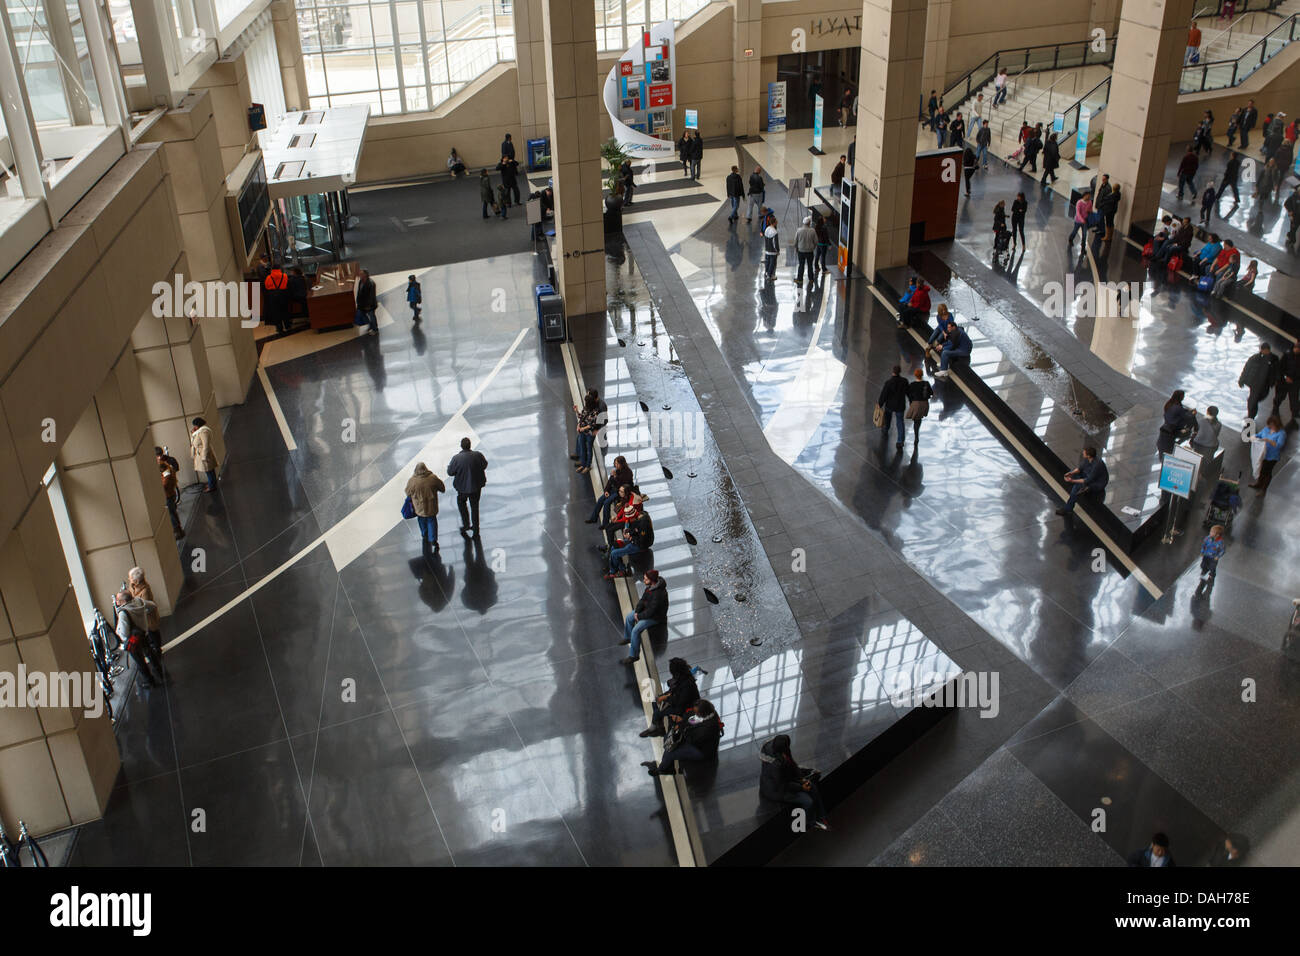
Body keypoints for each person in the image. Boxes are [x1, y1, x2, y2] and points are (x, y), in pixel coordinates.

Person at [759, 734, 829, 830]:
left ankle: (822, 816)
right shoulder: (776, 765)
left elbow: (793, 766)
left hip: (787, 781)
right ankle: (811, 823)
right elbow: (783, 784)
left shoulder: (784, 752)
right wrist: (801, 787)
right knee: (808, 802)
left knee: (813, 787)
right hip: (778, 791)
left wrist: (802, 779)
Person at [643, 699, 723, 776]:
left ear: (702, 713)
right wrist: (681, 721)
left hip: (701, 750)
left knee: (671, 752)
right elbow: (691, 718)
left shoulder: (709, 727)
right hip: (694, 739)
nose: (695, 713)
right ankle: (668, 765)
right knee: (667, 738)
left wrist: (681, 728)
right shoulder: (706, 714)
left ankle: (662, 769)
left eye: (696, 712)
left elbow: (693, 739)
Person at [113, 587, 161, 688]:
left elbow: (124, 633)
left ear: (123, 601)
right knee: (150, 653)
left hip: (134, 639)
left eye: (118, 600)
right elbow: (152, 605)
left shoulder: (123, 613)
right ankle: (159, 670)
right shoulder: (138, 601)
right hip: (144, 633)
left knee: (140, 661)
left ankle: (149, 681)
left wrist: (119, 634)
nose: (116, 601)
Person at [639, 656, 698, 736]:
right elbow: (675, 690)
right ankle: (659, 727)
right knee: (655, 702)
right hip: (678, 701)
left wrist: (666, 697)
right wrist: (666, 695)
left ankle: (653, 728)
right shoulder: (683, 676)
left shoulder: (687, 683)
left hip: (684, 708)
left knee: (658, 713)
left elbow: (680, 701)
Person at [620, 569, 668, 665]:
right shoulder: (650, 587)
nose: (644, 580)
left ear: (652, 580)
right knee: (629, 617)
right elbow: (642, 600)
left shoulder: (658, 594)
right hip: (646, 611)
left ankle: (634, 656)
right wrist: (637, 612)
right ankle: (628, 637)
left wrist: (639, 616)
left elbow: (652, 611)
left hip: (656, 617)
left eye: (646, 579)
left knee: (636, 630)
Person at [127, 567, 165, 680]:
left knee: (153, 631)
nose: (129, 579)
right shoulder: (132, 586)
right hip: (141, 618)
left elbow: (145, 605)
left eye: (130, 578)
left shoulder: (145, 590)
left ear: (136, 581)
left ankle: (157, 648)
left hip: (148, 617)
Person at [447, 437, 488, 537]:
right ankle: (476, 528)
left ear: (461, 446)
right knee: (475, 507)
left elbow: (450, 472)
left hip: (462, 488)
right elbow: (484, 465)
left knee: (461, 504)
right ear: (470, 445)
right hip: (476, 486)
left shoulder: (456, 458)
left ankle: (466, 525)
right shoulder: (478, 455)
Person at [405, 461, 445, 557]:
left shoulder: (412, 481)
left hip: (419, 507)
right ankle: (433, 539)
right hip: (431, 506)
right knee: (432, 521)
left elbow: (407, 492)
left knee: (421, 520)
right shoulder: (432, 478)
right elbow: (442, 488)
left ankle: (424, 534)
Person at [1056, 445, 1109, 516]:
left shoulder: (1097, 465)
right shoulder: (1087, 459)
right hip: (1087, 475)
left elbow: (1087, 480)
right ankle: (1084, 488)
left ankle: (1068, 509)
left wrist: (1073, 481)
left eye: (1084, 453)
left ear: (1089, 455)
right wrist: (1070, 473)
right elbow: (1080, 468)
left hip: (1097, 483)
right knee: (1074, 475)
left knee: (1075, 489)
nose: (1082, 453)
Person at [606, 506, 653, 581]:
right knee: (614, 546)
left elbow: (642, 540)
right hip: (634, 541)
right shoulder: (639, 519)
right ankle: (622, 569)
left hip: (638, 546)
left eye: (629, 519)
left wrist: (631, 537)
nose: (629, 520)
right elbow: (635, 530)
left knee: (614, 553)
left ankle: (614, 571)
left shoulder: (643, 524)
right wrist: (630, 533)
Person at [587, 455, 634, 527]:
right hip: (613, 489)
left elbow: (621, 486)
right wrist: (606, 490)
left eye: (617, 464)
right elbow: (610, 482)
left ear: (622, 464)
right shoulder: (617, 470)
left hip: (621, 492)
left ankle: (605, 523)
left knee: (606, 503)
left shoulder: (628, 472)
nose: (616, 465)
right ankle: (593, 518)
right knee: (600, 500)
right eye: (615, 463)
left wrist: (615, 476)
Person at [1239, 342, 1279, 420]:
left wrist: (1274, 381)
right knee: (1253, 400)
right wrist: (1242, 379)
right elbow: (1247, 369)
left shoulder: (1274, 359)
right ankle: (1251, 416)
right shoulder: (1255, 358)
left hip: (1265, 384)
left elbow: (1276, 371)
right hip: (1255, 384)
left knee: (1255, 399)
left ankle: (1251, 414)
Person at [571, 388, 604, 473]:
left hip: (589, 433)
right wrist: (577, 411)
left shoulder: (596, 411)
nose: (585, 403)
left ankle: (588, 466)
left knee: (589, 449)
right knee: (582, 447)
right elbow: (582, 417)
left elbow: (592, 424)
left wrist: (583, 428)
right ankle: (583, 464)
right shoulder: (586, 408)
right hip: (582, 432)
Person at [1250, 415, 1286, 494]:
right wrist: (1254, 437)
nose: (1270, 426)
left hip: (1272, 457)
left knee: (1267, 472)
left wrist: (1268, 440)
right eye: (1269, 424)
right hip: (1263, 454)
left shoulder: (1281, 433)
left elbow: (1279, 445)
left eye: (1272, 425)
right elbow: (1259, 435)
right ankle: (1259, 484)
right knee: (1261, 470)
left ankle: (1263, 489)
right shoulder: (1266, 429)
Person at [878, 365, 908, 450]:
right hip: (900, 405)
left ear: (893, 372)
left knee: (888, 418)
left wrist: (880, 404)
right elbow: (908, 392)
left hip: (890, 405)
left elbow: (884, 394)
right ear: (900, 371)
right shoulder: (904, 381)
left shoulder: (888, 382)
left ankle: (886, 429)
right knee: (900, 422)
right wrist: (912, 401)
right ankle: (900, 441)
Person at [1157, 391, 1196, 455]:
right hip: (1173, 430)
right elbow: (1186, 416)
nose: (1183, 397)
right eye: (1183, 396)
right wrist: (1193, 414)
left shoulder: (1169, 404)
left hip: (1167, 426)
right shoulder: (1178, 408)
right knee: (1187, 434)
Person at [1272, 339, 1300, 425]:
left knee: (1294, 400)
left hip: (1294, 382)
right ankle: (1275, 409)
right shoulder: (1287, 355)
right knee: (1280, 397)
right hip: (1284, 381)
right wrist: (1284, 377)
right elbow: (1280, 368)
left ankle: (1294, 415)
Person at [905, 368, 934, 447]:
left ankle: (916, 435)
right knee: (919, 419)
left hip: (916, 404)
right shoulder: (926, 383)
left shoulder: (912, 385)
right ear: (922, 375)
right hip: (924, 404)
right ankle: (917, 435)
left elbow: (909, 394)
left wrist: (911, 402)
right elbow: (931, 393)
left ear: (915, 375)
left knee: (916, 420)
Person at [189, 417, 218, 493]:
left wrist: (204, 456)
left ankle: (212, 486)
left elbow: (206, 444)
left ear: (198, 425)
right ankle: (212, 484)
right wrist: (193, 433)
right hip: (201, 453)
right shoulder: (199, 431)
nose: (194, 427)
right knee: (208, 470)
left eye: (195, 425)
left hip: (204, 453)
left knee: (209, 471)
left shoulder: (203, 431)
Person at [262, 262, 290, 333]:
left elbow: (266, 286)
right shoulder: (285, 276)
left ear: (272, 269)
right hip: (283, 294)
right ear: (279, 269)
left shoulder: (268, 277)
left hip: (273, 295)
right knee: (285, 310)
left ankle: (279, 328)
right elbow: (287, 284)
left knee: (276, 312)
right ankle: (287, 325)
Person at [159, 457, 183, 539]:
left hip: (169, 496)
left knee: (171, 514)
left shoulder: (167, 475)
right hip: (171, 495)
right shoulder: (168, 472)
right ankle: (178, 529)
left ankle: (177, 531)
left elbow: (164, 486)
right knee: (173, 513)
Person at [794, 216, 817, 285]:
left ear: (803, 223)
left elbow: (795, 242)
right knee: (810, 265)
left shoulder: (799, 230)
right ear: (809, 223)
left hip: (801, 251)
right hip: (810, 251)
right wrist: (813, 247)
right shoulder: (813, 231)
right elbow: (816, 241)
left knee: (801, 265)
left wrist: (796, 249)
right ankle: (811, 279)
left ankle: (800, 279)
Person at [355, 268, 378, 335]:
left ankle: (375, 329)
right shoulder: (360, 281)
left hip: (369, 305)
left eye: (361, 274)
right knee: (362, 315)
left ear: (365, 275)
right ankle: (371, 326)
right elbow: (359, 292)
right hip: (362, 304)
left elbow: (371, 296)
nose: (360, 275)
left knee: (372, 317)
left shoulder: (371, 283)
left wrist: (368, 306)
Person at [763, 214, 779, 279]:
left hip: (767, 249)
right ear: (774, 222)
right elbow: (775, 243)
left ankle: (766, 273)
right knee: (772, 263)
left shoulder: (767, 229)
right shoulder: (774, 232)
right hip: (773, 251)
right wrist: (777, 250)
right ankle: (770, 275)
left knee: (768, 262)